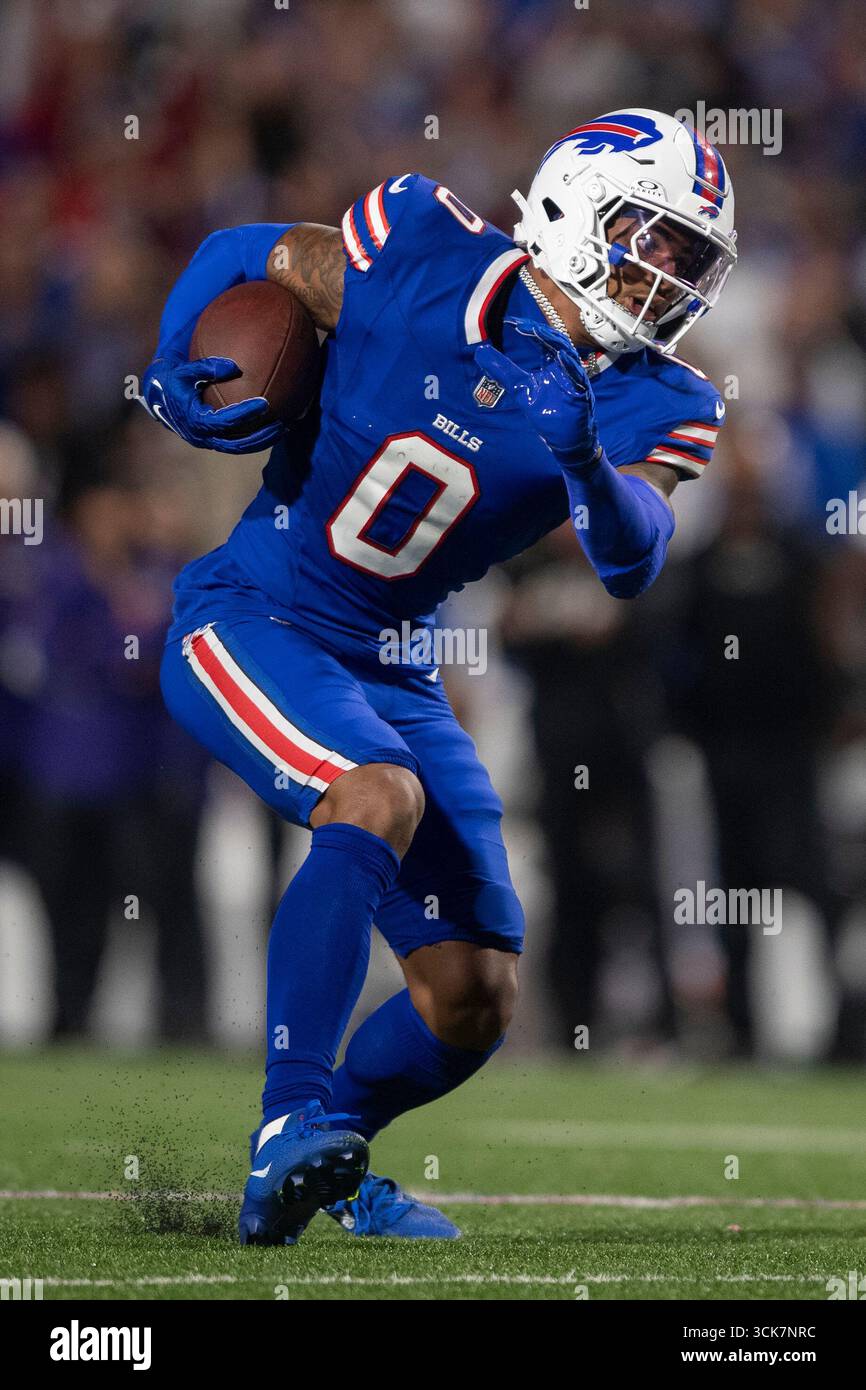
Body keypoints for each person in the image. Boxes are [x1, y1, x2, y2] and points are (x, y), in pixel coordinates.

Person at [140, 109, 736, 1244]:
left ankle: (328, 1163)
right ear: (568, 211)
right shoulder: (421, 248)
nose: (663, 277)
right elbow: (239, 255)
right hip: (256, 610)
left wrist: (580, 459)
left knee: (472, 997)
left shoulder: (662, 396)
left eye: (685, 258)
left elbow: (630, 558)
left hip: (391, 657)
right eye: (645, 238)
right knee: (376, 793)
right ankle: (288, 1120)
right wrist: (171, 365)